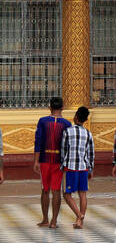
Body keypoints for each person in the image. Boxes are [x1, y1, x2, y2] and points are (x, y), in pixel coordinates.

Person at [33, 96, 70, 229]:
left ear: (50, 107)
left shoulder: (43, 121)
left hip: (44, 159)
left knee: (45, 190)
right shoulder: (66, 124)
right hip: (59, 161)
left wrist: (36, 160)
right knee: (56, 191)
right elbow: (68, 145)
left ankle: (45, 219)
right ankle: (54, 221)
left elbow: (38, 141)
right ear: (62, 108)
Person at [61, 106, 95, 230]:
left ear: (75, 116)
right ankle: (80, 221)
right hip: (83, 167)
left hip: (70, 167)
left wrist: (62, 164)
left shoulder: (67, 132)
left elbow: (63, 151)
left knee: (66, 194)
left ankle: (79, 215)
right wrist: (91, 169)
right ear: (85, 119)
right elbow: (91, 154)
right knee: (83, 194)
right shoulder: (88, 134)